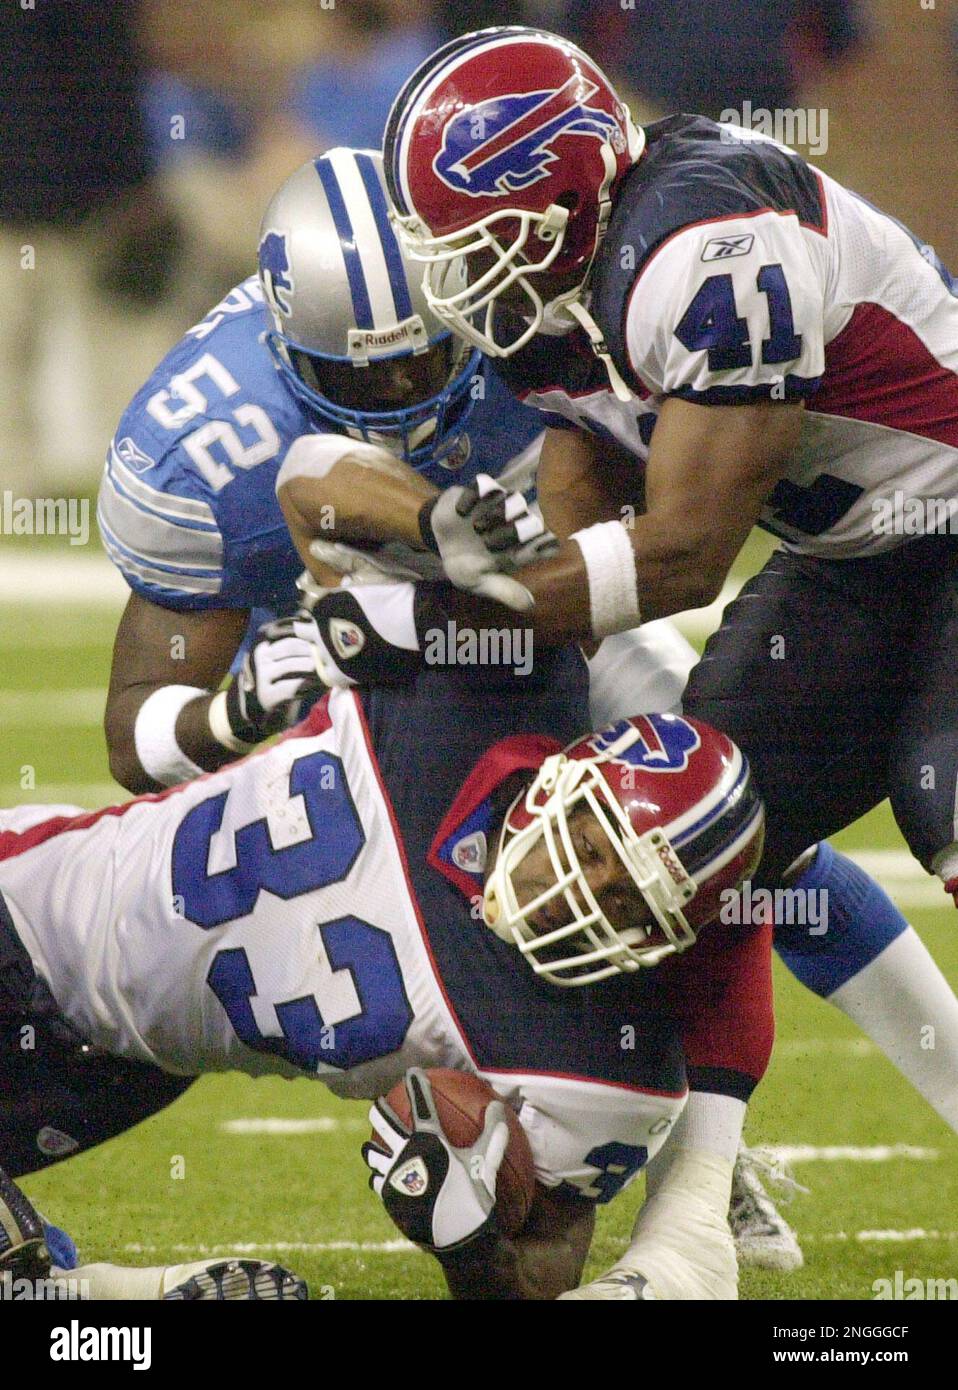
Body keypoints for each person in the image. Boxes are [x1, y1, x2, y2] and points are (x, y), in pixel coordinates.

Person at [370, 24, 958, 1294]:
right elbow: (590, 480)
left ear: (562, 194)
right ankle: (697, 1227)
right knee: (682, 835)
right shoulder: (561, 287)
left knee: (946, 791)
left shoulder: (703, 241)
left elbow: (687, 552)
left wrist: (471, 611)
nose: (461, 277)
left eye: (478, 238)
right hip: (862, 555)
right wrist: (504, 608)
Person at [0, 658, 769, 1299]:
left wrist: (466, 1242)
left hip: (110, 1069)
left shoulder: (599, 1070)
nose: (578, 892)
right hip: (24, 903)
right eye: (592, 848)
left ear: (670, 936)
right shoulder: (474, 702)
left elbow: (544, 1265)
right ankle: (90, 1295)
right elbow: (330, 495)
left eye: (629, 901)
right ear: (560, 781)